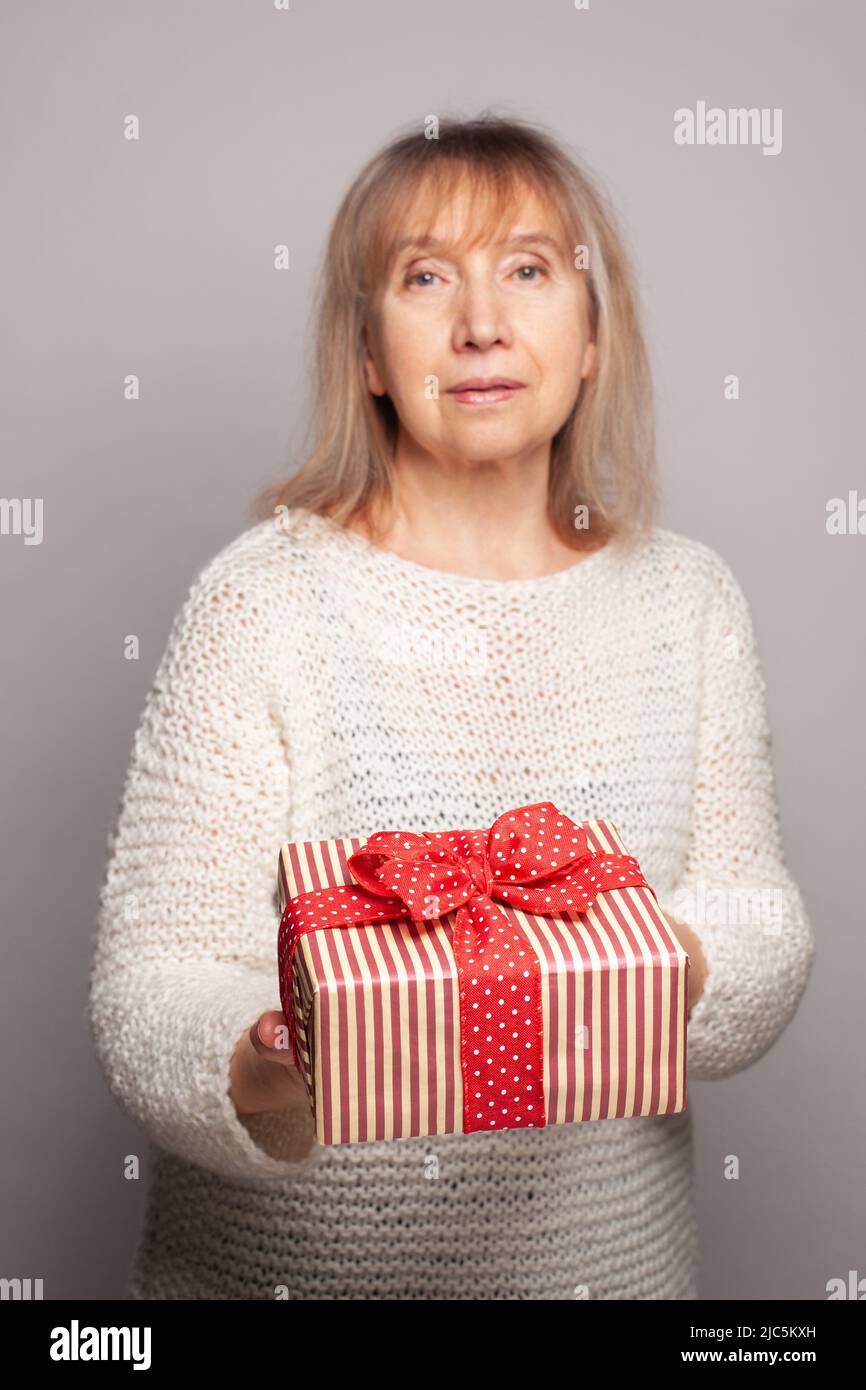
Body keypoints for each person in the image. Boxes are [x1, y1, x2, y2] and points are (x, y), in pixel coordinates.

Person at [88, 114, 815, 1300]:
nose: (481, 321)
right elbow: (148, 984)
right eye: (426, 277)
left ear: (590, 337)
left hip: (604, 1272)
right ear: (369, 351)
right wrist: (273, 1063)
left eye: (528, 270)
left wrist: (654, 960)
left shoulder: (688, 600)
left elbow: (756, 916)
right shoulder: (257, 602)